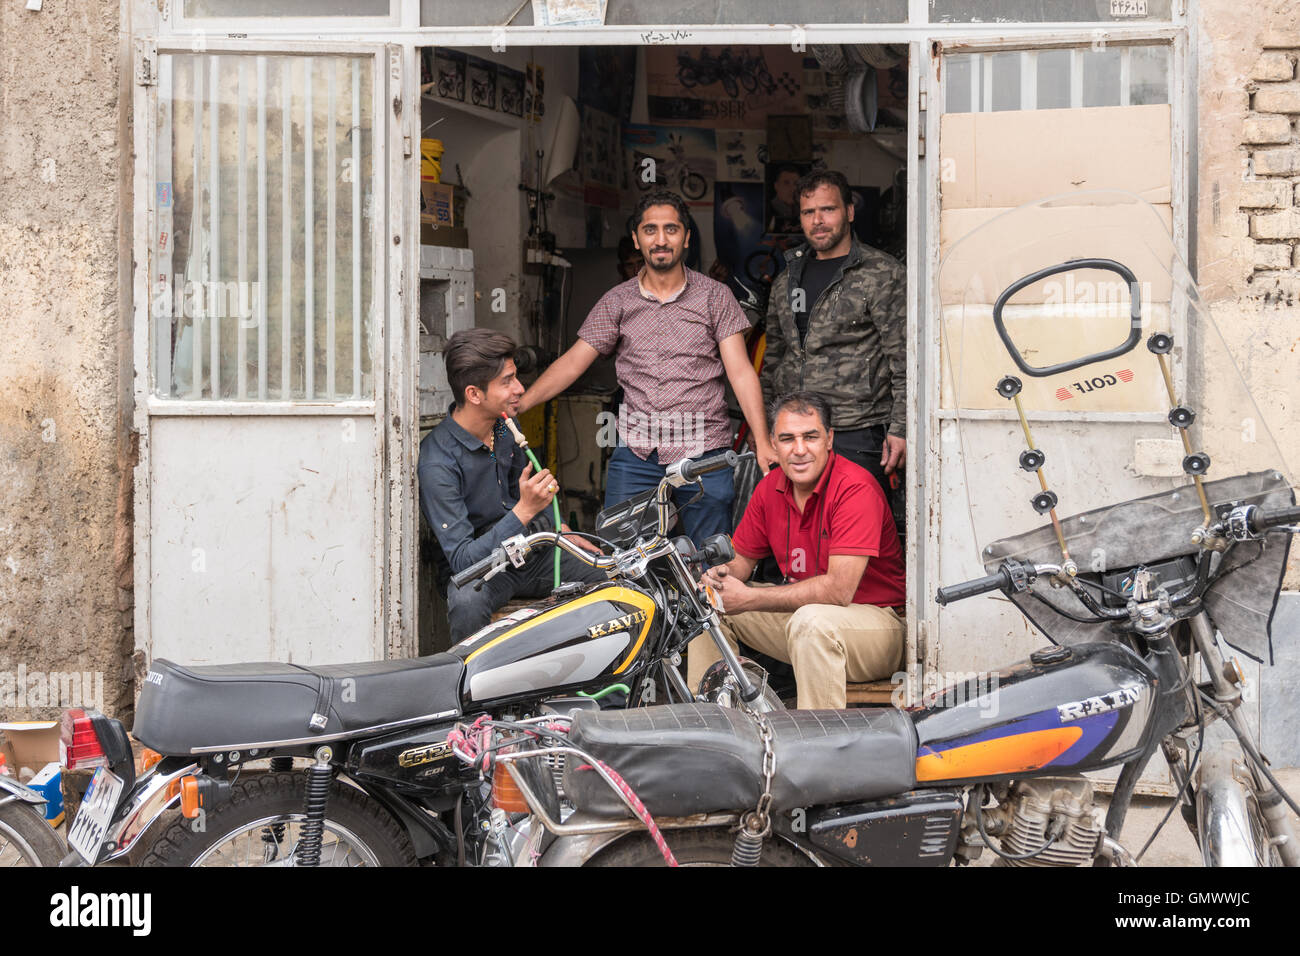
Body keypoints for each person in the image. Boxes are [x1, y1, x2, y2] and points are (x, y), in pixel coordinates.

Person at [521, 190, 776, 546]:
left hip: (705, 451)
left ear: (686, 237)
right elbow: (573, 364)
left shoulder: (714, 296)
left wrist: (762, 441)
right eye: (650, 230)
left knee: (711, 560)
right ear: (637, 240)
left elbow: (741, 372)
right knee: (626, 561)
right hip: (638, 454)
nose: (661, 239)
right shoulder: (617, 301)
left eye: (671, 229)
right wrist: (521, 404)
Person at [688, 391, 905, 710]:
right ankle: (715, 724)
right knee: (709, 604)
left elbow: (838, 591)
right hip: (808, 623)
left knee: (811, 621)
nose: (799, 450)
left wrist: (749, 598)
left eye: (811, 437)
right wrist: (720, 577)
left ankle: (817, 746)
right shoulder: (769, 488)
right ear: (773, 444)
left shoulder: (855, 488)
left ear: (829, 439)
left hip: (878, 628)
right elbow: (741, 563)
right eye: (788, 439)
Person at [419, 329, 606, 642]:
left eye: (516, 377)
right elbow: (464, 561)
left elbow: (527, 497)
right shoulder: (438, 460)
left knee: (610, 579)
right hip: (485, 572)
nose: (520, 388)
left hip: (530, 554)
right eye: (507, 381)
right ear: (474, 395)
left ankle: (603, 690)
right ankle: (477, 689)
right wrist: (524, 510)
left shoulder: (506, 428)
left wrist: (561, 531)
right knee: (466, 601)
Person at [759, 169, 907, 503]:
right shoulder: (787, 278)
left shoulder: (881, 274)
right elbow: (774, 358)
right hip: (794, 433)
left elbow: (904, 359)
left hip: (856, 431)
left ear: (849, 212)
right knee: (797, 535)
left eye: (828, 209)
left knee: (856, 535)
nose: (818, 220)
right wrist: (768, 428)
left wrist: (901, 428)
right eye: (808, 212)